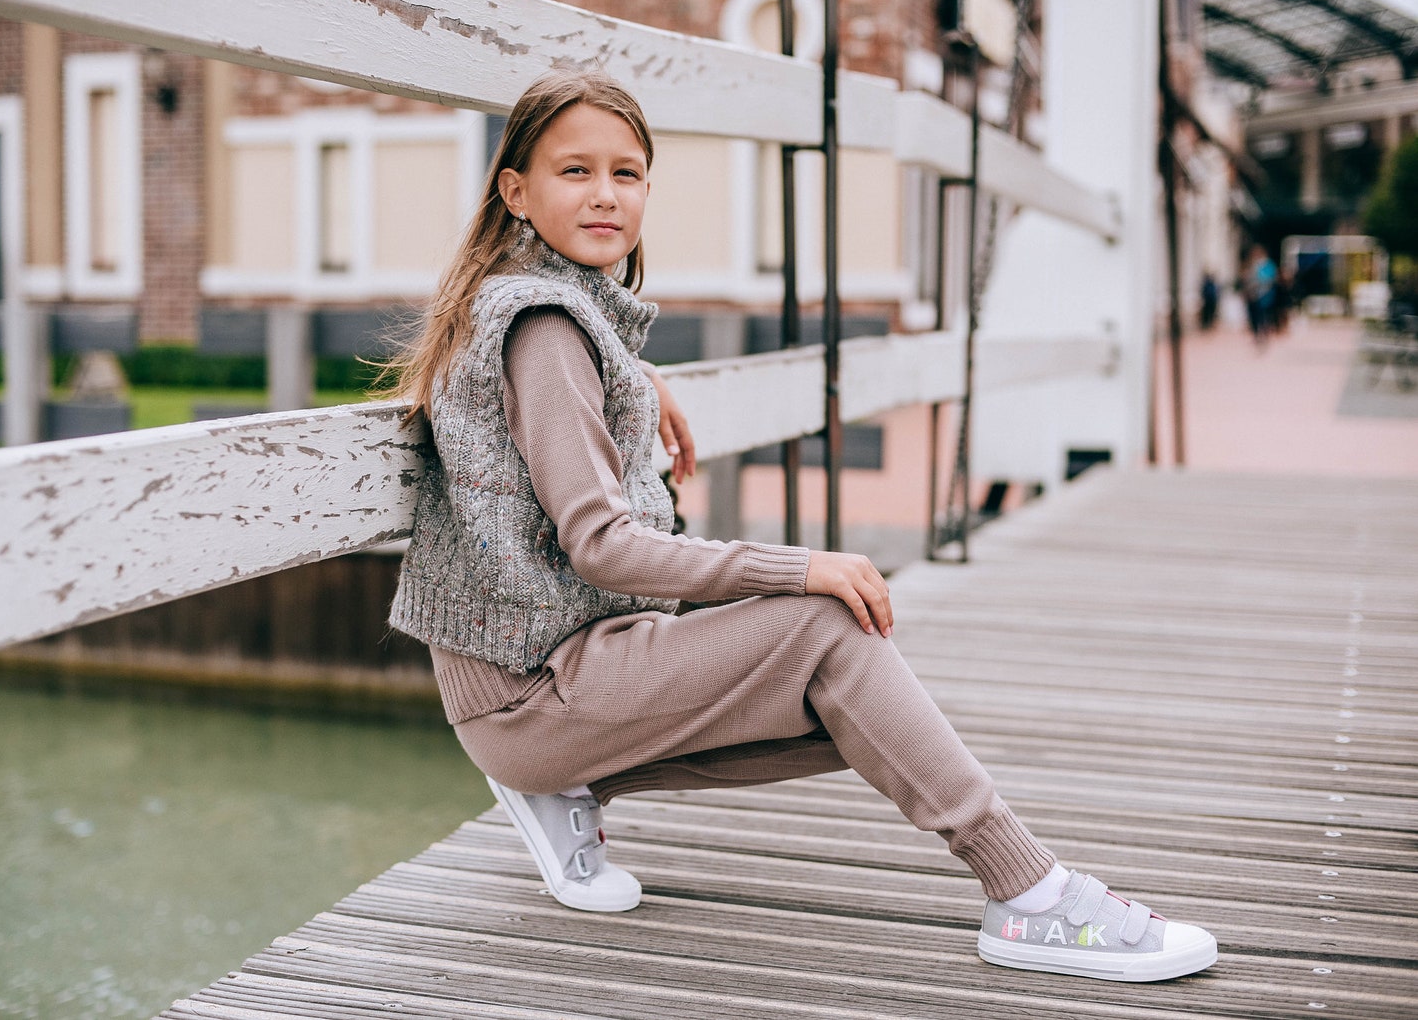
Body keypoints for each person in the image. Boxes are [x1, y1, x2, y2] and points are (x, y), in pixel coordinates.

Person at [387, 67, 1218, 983]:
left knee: (861, 707)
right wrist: (796, 566)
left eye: (627, 173)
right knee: (827, 625)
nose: (605, 194)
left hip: (542, 679)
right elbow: (602, 547)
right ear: (516, 191)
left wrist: (632, 379)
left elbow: (545, 403)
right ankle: (1029, 894)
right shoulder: (546, 329)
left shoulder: (546, 313)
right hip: (533, 694)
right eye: (574, 171)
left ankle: (573, 783)